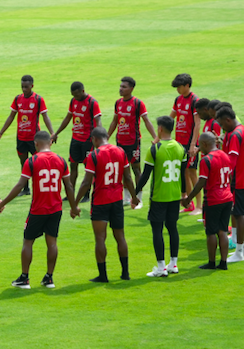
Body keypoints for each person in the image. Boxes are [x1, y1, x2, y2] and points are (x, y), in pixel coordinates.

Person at [0, 130, 79, 290]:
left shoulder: (32, 161)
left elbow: (20, 185)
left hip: (38, 209)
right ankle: (49, 278)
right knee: (52, 242)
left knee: (28, 241)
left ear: (36, 144)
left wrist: (2, 202)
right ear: (50, 143)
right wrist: (73, 208)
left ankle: (24, 278)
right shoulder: (61, 160)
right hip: (56, 208)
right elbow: (69, 185)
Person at [76, 128, 138, 282]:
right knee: (120, 237)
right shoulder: (120, 151)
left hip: (100, 201)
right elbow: (128, 178)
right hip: (117, 200)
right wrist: (134, 197)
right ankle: (125, 273)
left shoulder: (94, 155)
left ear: (95, 139)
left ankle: (103, 275)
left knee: (100, 238)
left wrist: (74, 203)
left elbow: (86, 183)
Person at [134, 115, 187, 277]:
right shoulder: (181, 148)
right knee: (172, 228)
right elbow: (183, 175)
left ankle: (161, 267)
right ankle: (174, 264)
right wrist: (184, 193)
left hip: (159, 197)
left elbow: (145, 176)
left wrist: (135, 193)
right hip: (174, 196)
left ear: (160, 129)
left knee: (157, 230)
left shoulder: (154, 149)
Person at [181, 132, 233, 270]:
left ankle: (211, 263)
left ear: (204, 144)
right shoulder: (225, 155)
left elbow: (201, 182)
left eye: (199, 145)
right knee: (222, 230)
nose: (199, 149)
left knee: (211, 232)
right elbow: (230, 177)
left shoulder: (206, 160)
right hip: (227, 198)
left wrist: (188, 199)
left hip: (213, 199)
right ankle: (223, 263)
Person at [0, 76, 53, 190]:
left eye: (26, 87)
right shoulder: (18, 99)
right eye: (22, 87)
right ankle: (25, 188)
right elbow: (11, 116)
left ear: (32, 86)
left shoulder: (38, 99)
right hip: (21, 137)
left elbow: (45, 116)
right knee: (24, 162)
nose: (24, 89)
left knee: (38, 162)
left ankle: (39, 186)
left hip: (34, 138)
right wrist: (1, 133)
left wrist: (52, 133)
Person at [107, 76, 156, 205]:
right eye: (120, 86)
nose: (121, 89)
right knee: (123, 170)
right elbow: (114, 122)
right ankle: (126, 197)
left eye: (124, 87)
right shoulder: (118, 103)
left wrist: (155, 137)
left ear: (131, 88)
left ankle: (138, 197)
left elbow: (146, 121)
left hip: (133, 142)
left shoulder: (137, 103)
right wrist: (106, 137)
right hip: (120, 142)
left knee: (136, 169)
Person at [51, 81, 101, 203]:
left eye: (77, 95)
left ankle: (87, 194)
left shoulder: (92, 102)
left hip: (88, 140)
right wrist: (56, 133)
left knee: (88, 167)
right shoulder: (73, 101)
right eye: (73, 95)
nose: (75, 97)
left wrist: (98, 139)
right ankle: (70, 193)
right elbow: (68, 118)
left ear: (82, 91)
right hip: (75, 139)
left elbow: (98, 121)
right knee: (73, 165)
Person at [218, 106, 244, 263]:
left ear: (228, 120)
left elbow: (231, 162)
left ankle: (238, 252)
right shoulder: (243, 129)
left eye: (223, 125)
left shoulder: (234, 135)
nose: (223, 129)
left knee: (238, 214)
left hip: (237, 180)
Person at [170, 73, 202, 213]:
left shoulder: (195, 100)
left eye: (179, 87)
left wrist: (193, 144)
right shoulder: (178, 100)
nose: (177, 89)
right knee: (184, 173)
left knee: (193, 172)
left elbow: (197, 124)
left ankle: (200, 205)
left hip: (190, 142)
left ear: (187, 86)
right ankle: (189, 204)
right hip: (179, 143)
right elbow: (171, 118)